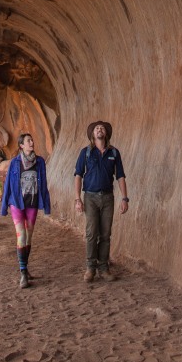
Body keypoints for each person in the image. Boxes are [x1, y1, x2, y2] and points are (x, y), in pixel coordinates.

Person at [74, 120, 129, 282]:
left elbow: (120, 176)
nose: (99, 130)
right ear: (93, 134)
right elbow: (78, 175)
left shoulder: (114, 153)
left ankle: (104, 267)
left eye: (102, 128)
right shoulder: (86, 152)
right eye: (97, 128)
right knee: (92, 233)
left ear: (106, 134)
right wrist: (77, 199)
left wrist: (125, 198)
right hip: (90, 197)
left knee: (105, 233)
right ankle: (90, 267)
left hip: (107, 197)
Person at [0, 132, 51, 289]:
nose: (31, 142)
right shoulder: (15, 163)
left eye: (32, 140)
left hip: (32, 203)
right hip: (16, 202)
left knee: (28, 238)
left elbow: (44, 184)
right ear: (21, 145)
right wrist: (4, 207)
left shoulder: (40, 162)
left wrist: (46, 204)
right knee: (21, 236)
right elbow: (8, 183)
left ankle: (25, 267)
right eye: (28, 141)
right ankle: (23, 273)